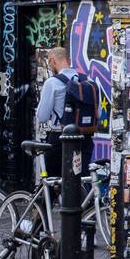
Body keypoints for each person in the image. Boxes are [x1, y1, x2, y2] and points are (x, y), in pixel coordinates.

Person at [33, 46, 93, 181]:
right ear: (68, 60)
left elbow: (42, 116)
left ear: (53, 61)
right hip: (85, 139)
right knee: (80, 182)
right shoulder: (88, 81)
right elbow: (98, 113)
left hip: (60, 139)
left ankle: (48, 202)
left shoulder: (52, 83)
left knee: (52, 183)